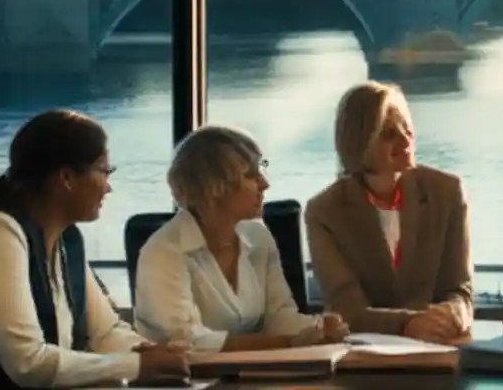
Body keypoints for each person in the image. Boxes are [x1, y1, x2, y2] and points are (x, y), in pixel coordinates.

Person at [0, 110, 190, 388]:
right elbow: (27, 363)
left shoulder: (68, 241)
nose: (108, 186)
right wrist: (136, 366)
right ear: (66, 177)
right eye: (104, 171)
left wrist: (150, 353)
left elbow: (104, 332)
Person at [134, 125, 348, 351]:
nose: (265, 184)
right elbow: (188, 342)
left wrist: (321, 328)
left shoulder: (258, 236)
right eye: (251, 175)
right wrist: (289, 343)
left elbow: (279, 317)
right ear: (215, 187)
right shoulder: (163, 252)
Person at [305, 81, 473, 342]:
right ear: (359, 142)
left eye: (407, 127)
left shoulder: (447, 191)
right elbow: (346, 309)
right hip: (363, 354)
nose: (405, 140)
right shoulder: (324, 212)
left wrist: (455, 313)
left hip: (439, 344)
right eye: (389, 133)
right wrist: (408, 324)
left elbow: (458, 290)